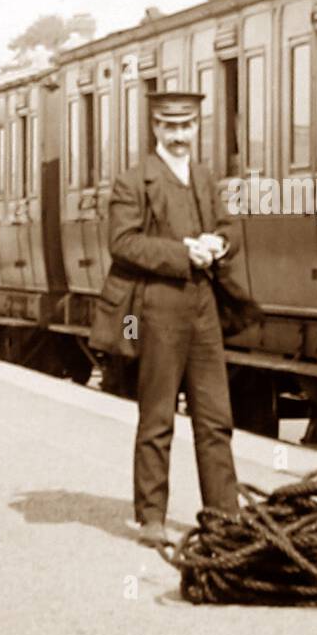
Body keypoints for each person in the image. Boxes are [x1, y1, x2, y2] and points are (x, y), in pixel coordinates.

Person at [101, 91, 240, 548]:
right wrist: (184, 252)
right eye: (170, 127)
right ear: (155, 129)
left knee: (215, 416)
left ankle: (224, 515)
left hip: (204, 306)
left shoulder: (204, 176)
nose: (180, 136)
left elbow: (228, 226)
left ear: (197, 126)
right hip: (157, 306)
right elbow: (123, 243)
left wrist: (220, 243)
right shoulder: (133, 181)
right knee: (158, 414)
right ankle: (152, 517)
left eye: (188, 126)